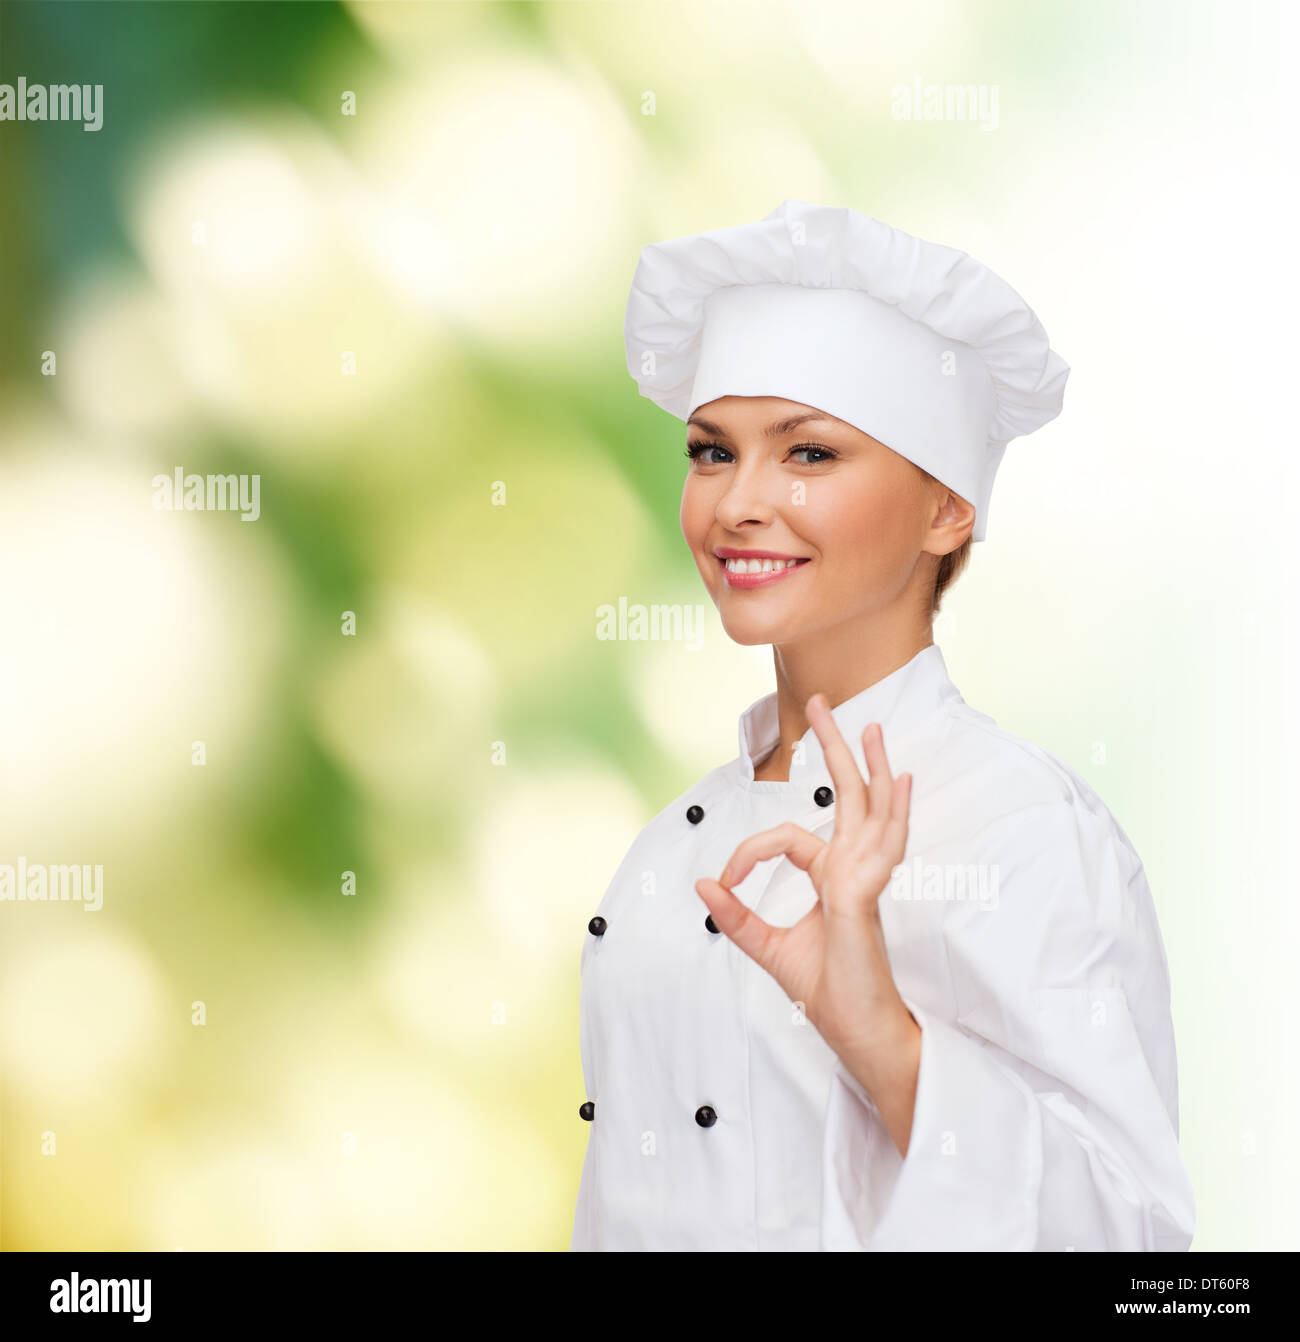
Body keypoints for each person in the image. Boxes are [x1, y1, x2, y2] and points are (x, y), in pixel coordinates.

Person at [570, 200, 1195, 1251]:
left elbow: (1133, 1248)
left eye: (808, 455)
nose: (736, 505)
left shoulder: (1019, 826)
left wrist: (883, 1044)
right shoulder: (667, 847)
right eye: (712, 452)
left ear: (947, 508)